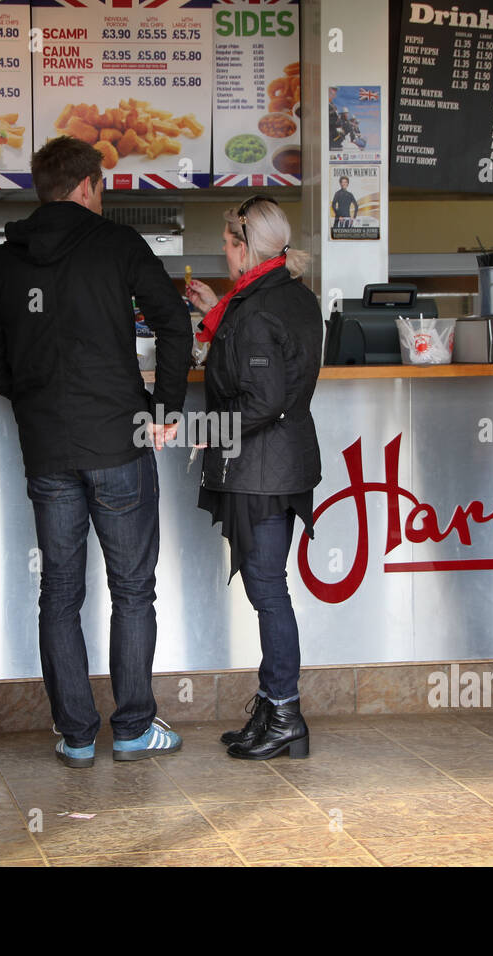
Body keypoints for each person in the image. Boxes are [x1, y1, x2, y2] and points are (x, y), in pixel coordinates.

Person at [0, 136, 193, 767]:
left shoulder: (3, 263)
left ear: (41, 188)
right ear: (91, 185)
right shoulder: (118, 245)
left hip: (47, 448)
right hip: (119, 440)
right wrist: (165, 407)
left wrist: (40, 395)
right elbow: (174, 325)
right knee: (131, 588)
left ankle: (74, 735)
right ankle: (132, 728)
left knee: (60, 592)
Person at [185, 196, 322, 760]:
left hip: (262, 469)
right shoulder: (288, 296)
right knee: (269, 589)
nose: (222, 249)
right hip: (279, 465)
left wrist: (210, 428)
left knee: (268, 591)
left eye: (227, 241)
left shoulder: (259, 309)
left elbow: (263, 398)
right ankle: (272, 705)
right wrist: (221, 306)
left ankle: (285, 713)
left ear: (246, 247)